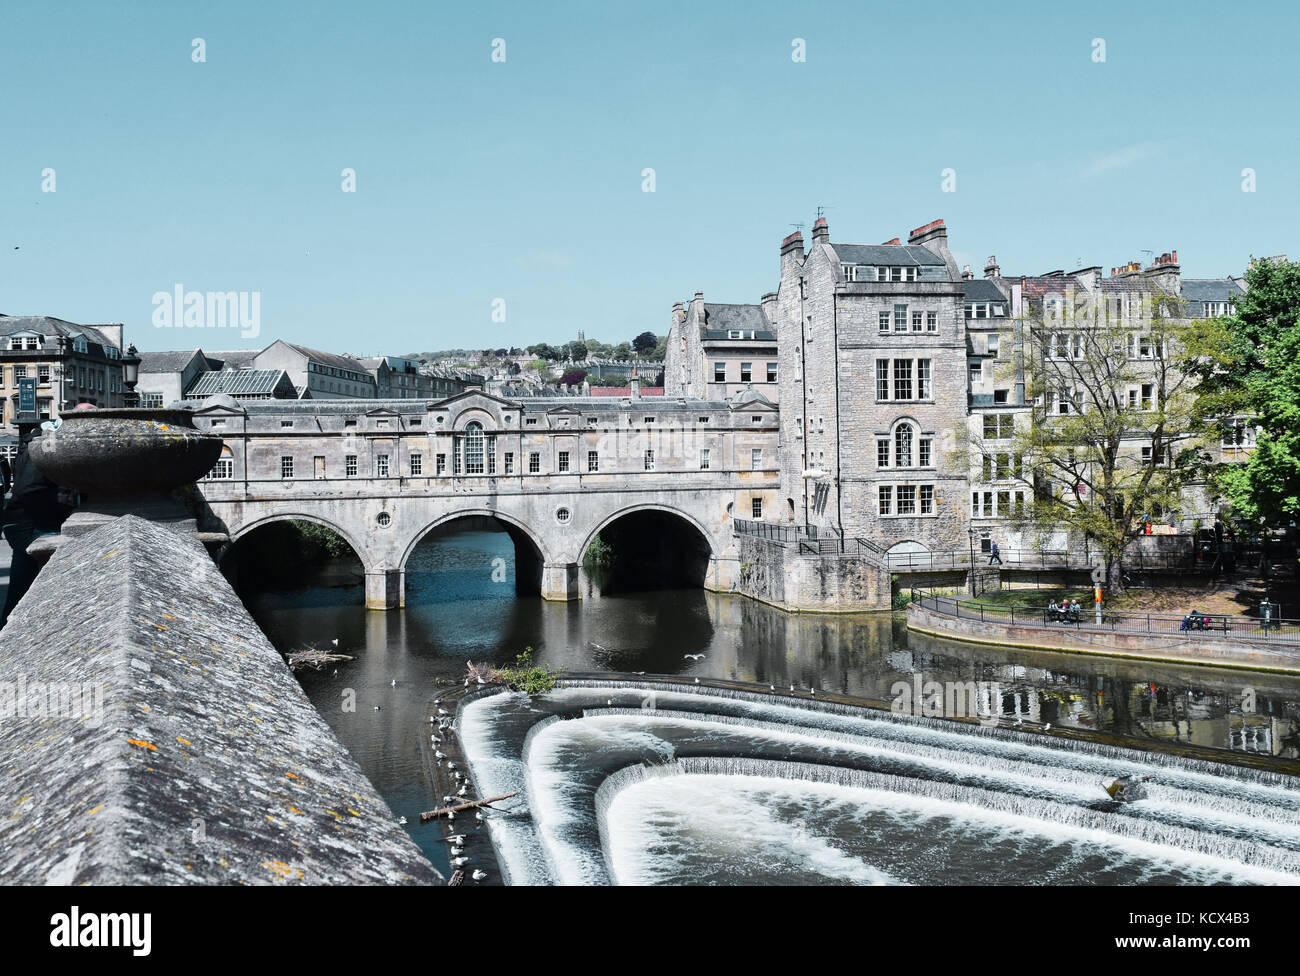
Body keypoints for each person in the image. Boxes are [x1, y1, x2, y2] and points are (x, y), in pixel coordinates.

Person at [1, 423, 73, 629]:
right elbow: (29, 488)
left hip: (22, 521)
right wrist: (56, 510)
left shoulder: (41, 444)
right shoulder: (47, 445)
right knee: (42, 583)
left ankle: (9, 626)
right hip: (31, 523)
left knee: (21, 585)